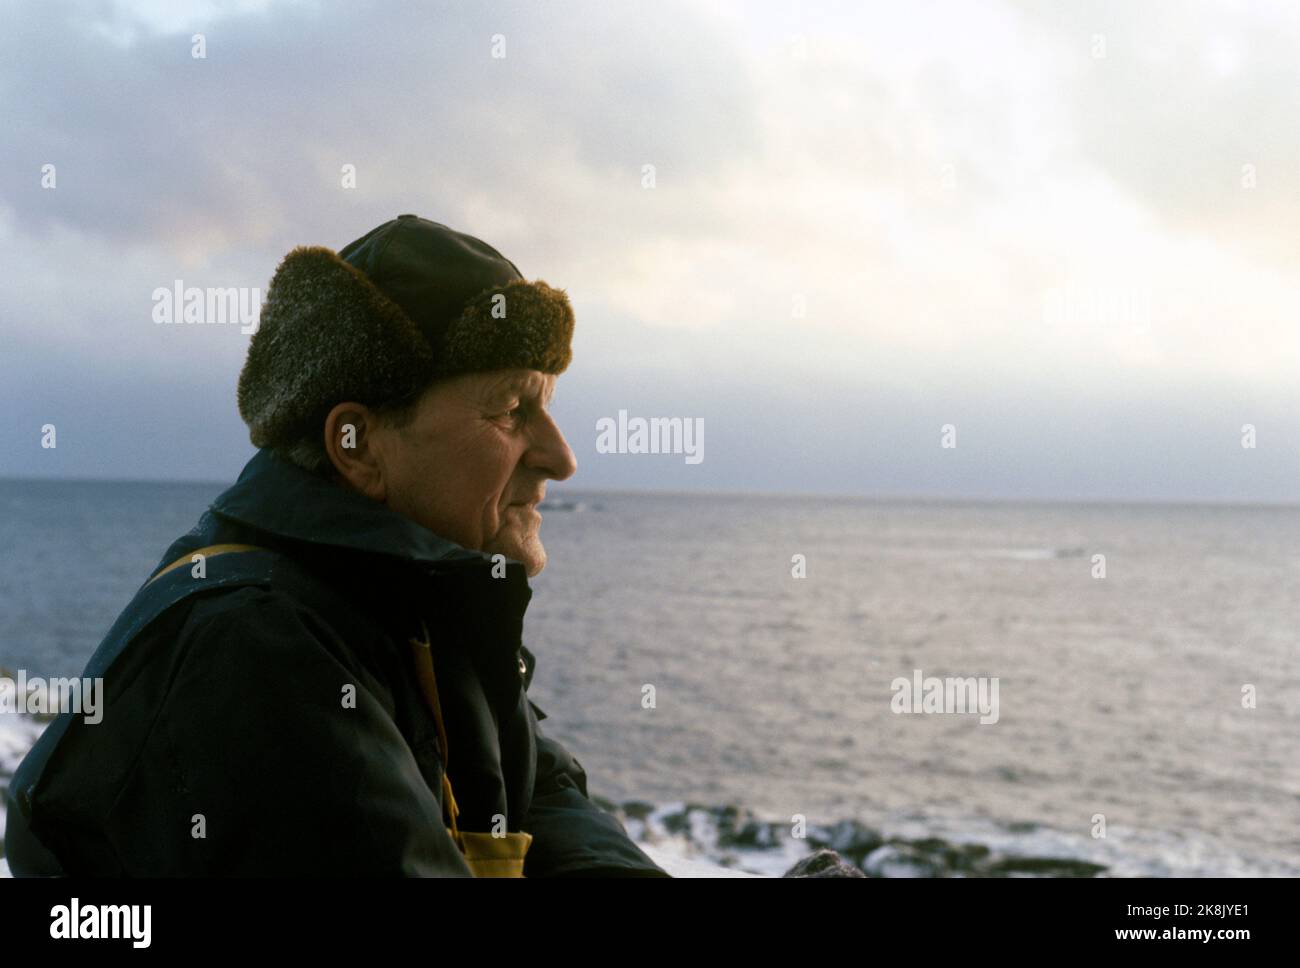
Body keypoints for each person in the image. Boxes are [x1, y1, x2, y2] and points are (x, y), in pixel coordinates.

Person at [5, 215, 670, 877]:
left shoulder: (411, 605)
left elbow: (536, 796)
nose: (562, 458)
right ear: (357, 446)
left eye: (549, 406)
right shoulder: (251, 651)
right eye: (508, 411)